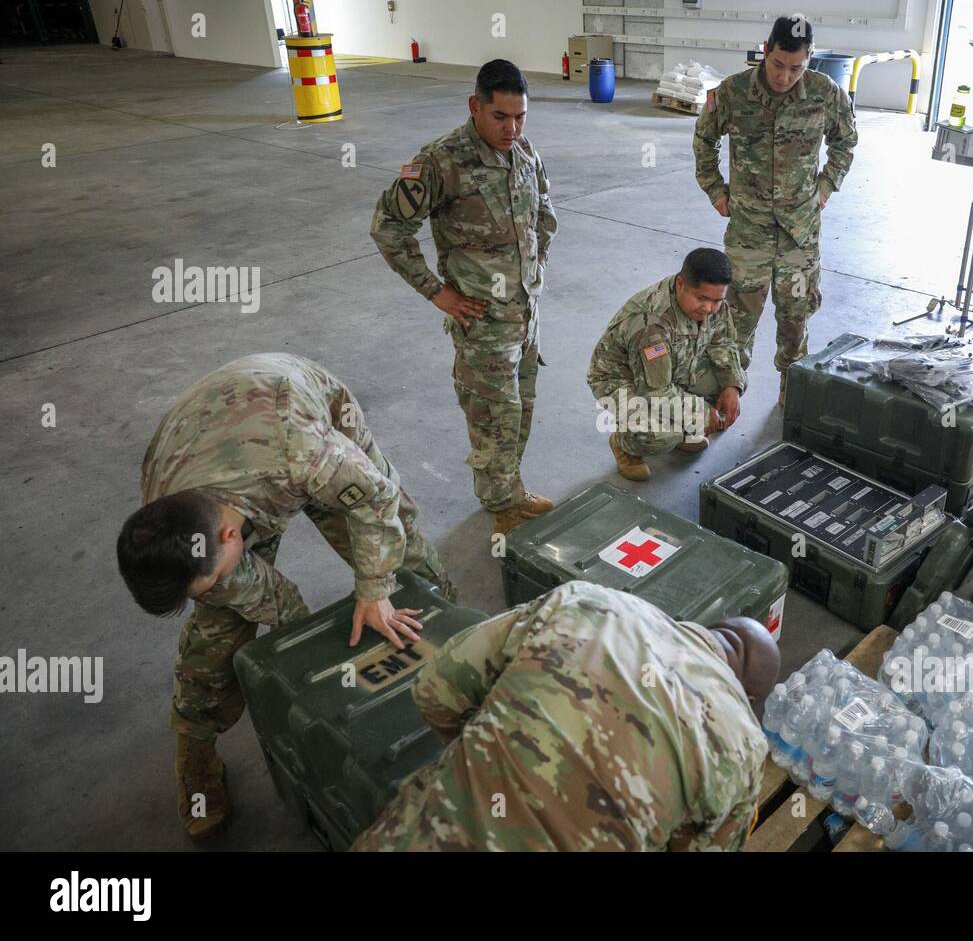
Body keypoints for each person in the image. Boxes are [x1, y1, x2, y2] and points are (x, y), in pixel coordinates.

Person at [117, 353, 457, 841]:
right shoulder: (167, 506)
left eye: (209, 581)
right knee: (219, 627)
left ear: (232, 535)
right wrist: (303, 653)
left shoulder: (308, 454)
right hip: (218, 448)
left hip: (306, 416)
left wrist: (375, 589)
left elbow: (376, 499)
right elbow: (258, 595)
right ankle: (195, 748)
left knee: (400, 552)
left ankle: (467, 648)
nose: (213, 589)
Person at [352, 580, 780, 851]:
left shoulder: (592, 600)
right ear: (751, 695)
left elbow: (435, 688)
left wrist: (490, 747)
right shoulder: (745, 746)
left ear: (709, 630)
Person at [371, 59, 559, 536]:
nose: (511, 128)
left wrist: (535, 274)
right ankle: (500, 505)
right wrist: (438, 293)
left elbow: (545, 216)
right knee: (493, 415)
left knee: (523, 407)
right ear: (475, 106)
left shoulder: (524, 151)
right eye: (500, 117)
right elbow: (390, 229)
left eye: (520, 117)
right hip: (482, 320)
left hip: (525, 313)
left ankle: (511, 487)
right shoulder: (440, 161)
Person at [693, 14, 857, 403]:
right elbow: (704, 141)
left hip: (800, 232)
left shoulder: (825, 93)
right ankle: (726, 392)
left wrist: (825, 186)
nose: (785, 76)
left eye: (796, 68)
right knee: (735, 319)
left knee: (795, 317)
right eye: (778, 65)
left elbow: (845, 142)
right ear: (765, 52)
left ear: (809, 59)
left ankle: (791, 390)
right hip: (749, 231)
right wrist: (716, 190)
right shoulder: (732, 93)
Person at [587, 248, 746, 481]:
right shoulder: (650, 322)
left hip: (670, 368)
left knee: (727, 385)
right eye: (701, 298)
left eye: (716, 300)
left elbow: (723, 343)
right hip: (623, 379)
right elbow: (655, 391)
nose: (708, 308)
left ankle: (685, 429)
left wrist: (733, 385)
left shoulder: (711, 302)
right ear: (681, 284)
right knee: (660, 435)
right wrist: (701, 412)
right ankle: (626, 443)